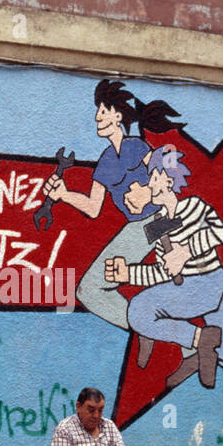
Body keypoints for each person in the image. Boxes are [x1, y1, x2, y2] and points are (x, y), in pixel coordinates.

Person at [105, 145, 223, 446]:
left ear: (164, 179)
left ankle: (202, 345)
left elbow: (218, 231)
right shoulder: (157, 226)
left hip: (211, 284)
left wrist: (186, 251)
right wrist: (128, 273)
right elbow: (160, 272)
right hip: (197, 291)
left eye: (151, 177)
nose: (148, 183)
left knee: (141, 311)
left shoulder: (194, 207)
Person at [43, 80, 184, 334]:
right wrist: (63, 194)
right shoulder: (106, 162)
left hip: (160, 221)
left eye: (104, 111)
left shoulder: (136, 147)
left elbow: (167, 178)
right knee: (88, 290)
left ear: (118, 116)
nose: (97, 117)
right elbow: (93, 208)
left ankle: (147, 327)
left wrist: (149, 194)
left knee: (91, 287)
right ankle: (143, 327)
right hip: (139, 229)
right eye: (98, 111)